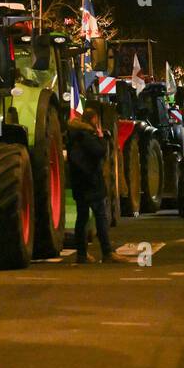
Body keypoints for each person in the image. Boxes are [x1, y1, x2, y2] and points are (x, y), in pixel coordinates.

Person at [67, 107, 132, 264]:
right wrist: (101, 137)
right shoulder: (87, 136)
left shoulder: (73, 135)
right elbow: (100, 151)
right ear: (94, 120)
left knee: (81, 219)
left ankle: (82, 255)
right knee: (101, 218)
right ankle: (107, 252)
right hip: (92, 183)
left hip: (79, 183)